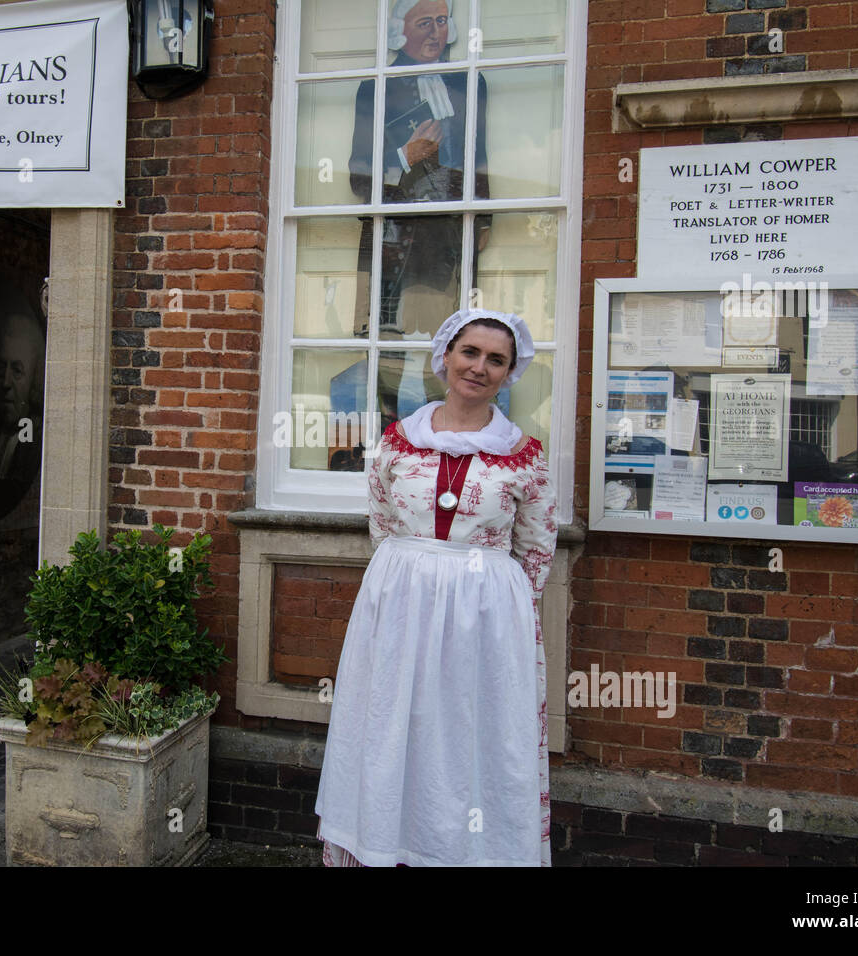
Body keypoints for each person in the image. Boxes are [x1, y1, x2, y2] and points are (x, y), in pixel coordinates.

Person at [314, 308, 558, 866]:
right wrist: (418, 578)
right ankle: (385, 845)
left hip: (486, 616)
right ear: (446, 355)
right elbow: (381, 524)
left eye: (496, 359)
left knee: (469, 732)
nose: (479, 367)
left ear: (509, 372)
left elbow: (536, 549)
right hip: (401, 604)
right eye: (470, 352)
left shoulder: (526, 457)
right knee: (393, 721)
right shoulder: (398, 442)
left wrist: (498, 613)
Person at [349, 0, 491, 338]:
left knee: (453, 337)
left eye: (441, 21)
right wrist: (404, 155)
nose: (436, 32)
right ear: (400, 31)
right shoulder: (376, 87)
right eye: (424, 23)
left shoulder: (468, 82)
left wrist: (484, 218)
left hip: (453, 231)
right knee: (387, 340)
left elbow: (479, 158)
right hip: (394, 234)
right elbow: (359, 174)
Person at [0, 312, 45, 524]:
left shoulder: (38, 442)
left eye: (17, 371)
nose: (5, 382)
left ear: (34, 379)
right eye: (2, 368)